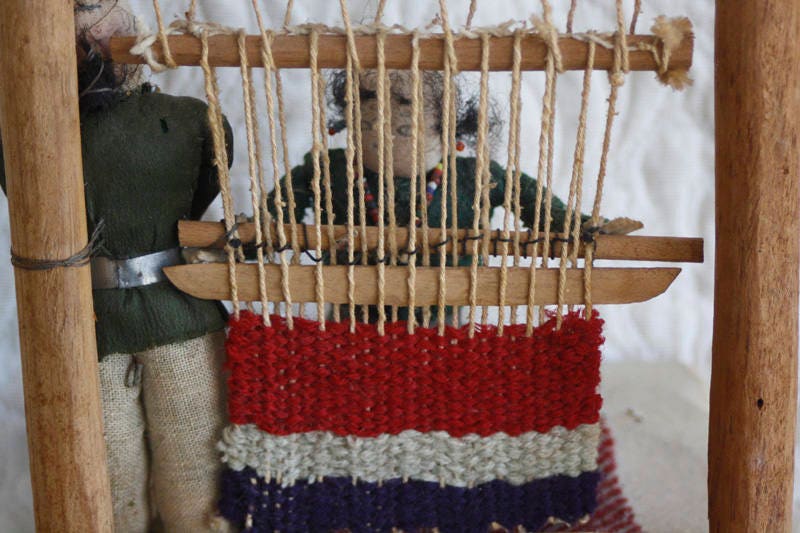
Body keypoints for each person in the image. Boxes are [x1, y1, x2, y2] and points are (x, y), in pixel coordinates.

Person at [2, 1, 232, 531]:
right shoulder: (29, 129)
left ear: (133, 33)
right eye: (76, 39)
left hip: (180, 312)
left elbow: (203, 189)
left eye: (100, 34)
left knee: (195, 462)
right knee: (105, 469)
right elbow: (27, 197)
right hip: (85, 327)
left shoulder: (191, 120)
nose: (90, 50)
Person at [267, 69, 639, 322]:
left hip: (442, 322)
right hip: (350, 319)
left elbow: (534, 203)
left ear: (446, 130)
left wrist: (580, 227)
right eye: (365, 126)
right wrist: (255, 234)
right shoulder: (329, 170)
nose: (382, 138)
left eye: (403, 129)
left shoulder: (473, 177)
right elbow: (277, 213)